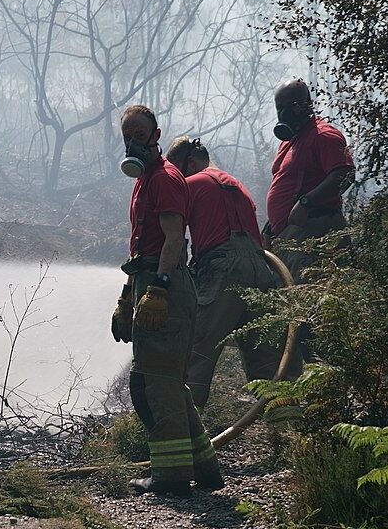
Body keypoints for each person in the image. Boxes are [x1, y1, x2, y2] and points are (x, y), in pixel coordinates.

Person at [111, 105, 223, 496]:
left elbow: (174, 239)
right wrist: (129, 297)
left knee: (154, 383)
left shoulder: (165, 178)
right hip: (150, 281)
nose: (131, 142)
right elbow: (143, 246)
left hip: (167, 287)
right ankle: (206, 470)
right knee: (166, 382)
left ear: (156, 136)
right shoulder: (144, 182)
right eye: (126, 134)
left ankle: (172, 479)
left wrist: (158, 288)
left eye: (139, 134)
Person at [166, 137, 302, 410]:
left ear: (190, 163)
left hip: (222, 271)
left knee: (196, 351)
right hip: (260, 270)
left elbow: (173, 237)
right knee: (266, 354)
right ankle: (291, 436)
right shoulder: (237, 185)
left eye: (176, 173)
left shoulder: (192, 184)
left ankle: (183, 427)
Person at [264, 79, 355, 360]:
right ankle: (310, 380)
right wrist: (271, 227)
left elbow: (344, 174)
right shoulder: (290, 143)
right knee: (294, 309)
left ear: (303, 105)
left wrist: (307, 201)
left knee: (310, 309)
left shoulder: (325, 135)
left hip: (315, 234)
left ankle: (327, 377)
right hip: (290, 239)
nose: (282, 114)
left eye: (287, 107)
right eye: (278, 108)